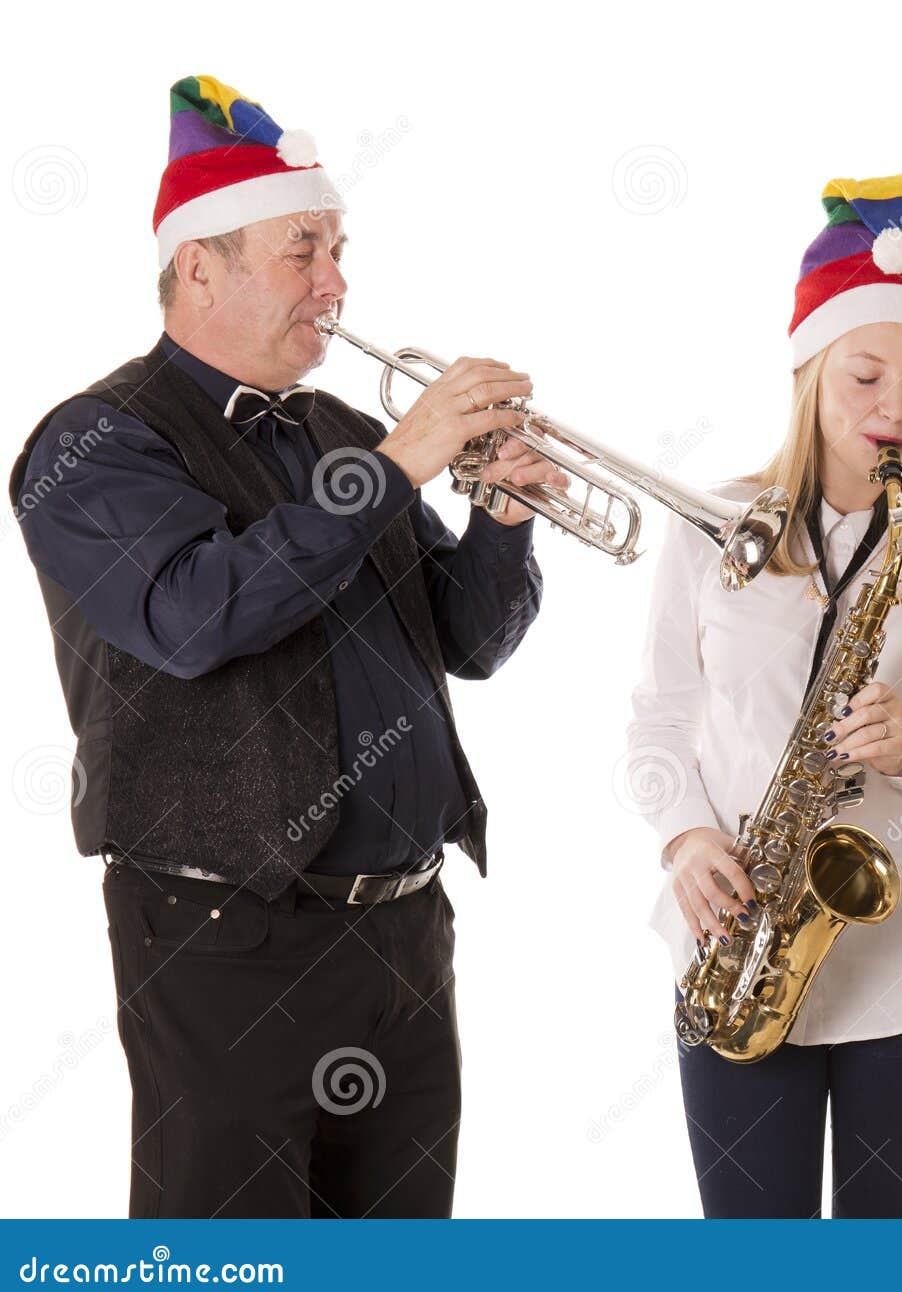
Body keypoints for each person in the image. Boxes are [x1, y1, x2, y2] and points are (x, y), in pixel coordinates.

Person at [10, 75, 567, 1217]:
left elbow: (467, 639)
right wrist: (401, 463)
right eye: (302, 250)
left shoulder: (338, 433)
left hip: (405, 932)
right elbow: (196, 614)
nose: (337, 282)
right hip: (227, 938)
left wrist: (504, 519)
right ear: (199, 268)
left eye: (340, 248)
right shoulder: (95, 442)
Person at [626, 172, 902, 1217]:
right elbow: (661, 716)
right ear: (809, 370)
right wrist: (683, 836)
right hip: (733, 941)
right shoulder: (715, 523)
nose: (894, 414)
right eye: (864, 376)